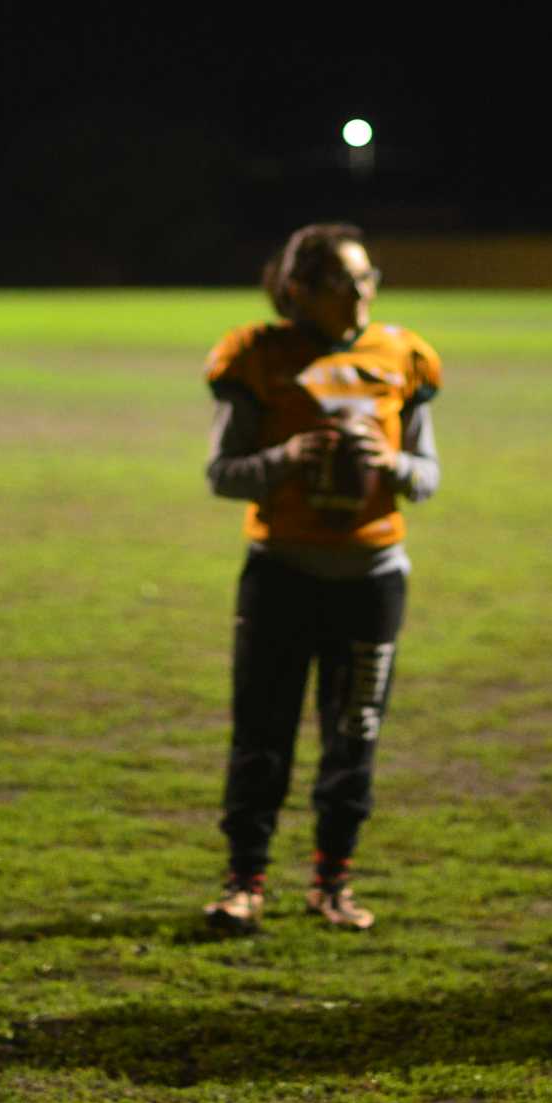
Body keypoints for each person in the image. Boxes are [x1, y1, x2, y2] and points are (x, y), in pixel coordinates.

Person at [199, 221, 441, 934]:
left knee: (353, 734)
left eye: (368, 277)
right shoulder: (257, 355)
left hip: (372, 579)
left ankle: (333, 883)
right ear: (299, 290)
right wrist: (290, 455)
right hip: (281, 574)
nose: (361, 293)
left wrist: (388, 463)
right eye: (343, 280)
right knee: (262, 733)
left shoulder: (403, 356)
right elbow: (222, 474)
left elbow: (426, 476)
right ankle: (244, 881)